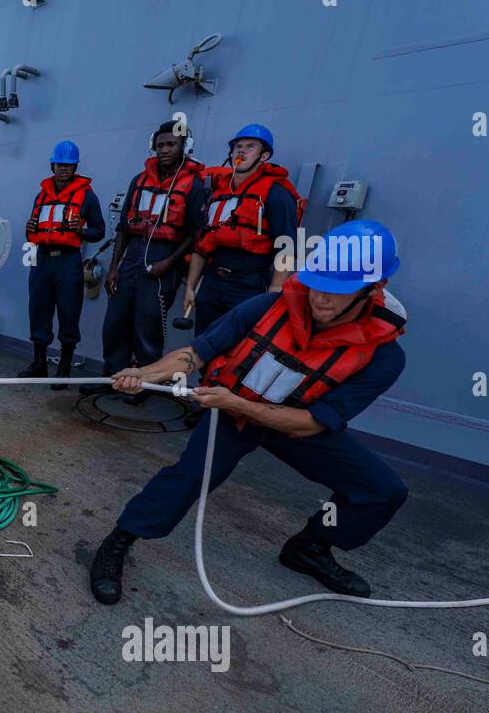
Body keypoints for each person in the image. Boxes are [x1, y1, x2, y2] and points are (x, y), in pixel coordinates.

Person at [88, 220, 409, 604]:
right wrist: (144, 373)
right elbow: (195, 354)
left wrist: (236, 402)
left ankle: (312, 546)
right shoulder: (266, 307)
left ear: (373, 290)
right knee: (189, 478)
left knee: (382, 490)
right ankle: (119, 540)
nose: (321, 297)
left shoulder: (383, 357)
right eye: (317, 283)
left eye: (338, 290)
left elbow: (311, 424)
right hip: (231, 414)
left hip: (293, 423)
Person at [98, 121, 207, 400]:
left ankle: (143, 384)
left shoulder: (193, 185)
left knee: (147, 328)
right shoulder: (139, 179)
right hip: (133, 255)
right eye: (160, 145)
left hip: (163, 259)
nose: (165, 150)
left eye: (171, 144)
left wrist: (169, 263)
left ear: (185, 146)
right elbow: (123, 226)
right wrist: (114, 268)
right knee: (115, 323)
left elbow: (195, 233)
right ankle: (113, 376)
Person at [183, 123, 303, 337]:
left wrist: (274, 292)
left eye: (250, 146)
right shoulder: (218, 194)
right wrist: (190, 287)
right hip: (211, 283)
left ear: (264, 156)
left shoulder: (275, 194)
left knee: (237, 347)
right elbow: (202, 245)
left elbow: (287, 247)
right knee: (203, 341)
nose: (241, 150)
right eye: (237, 146)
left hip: (248, 285)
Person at [20, 140, 105, 389]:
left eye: (68, 165)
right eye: (59, 164)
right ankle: (39, 364)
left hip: (68, 262)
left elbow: (99, 230)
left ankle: (64, 369)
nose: (63, 169)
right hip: (41, 259)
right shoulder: (42, 195)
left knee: (69, 313)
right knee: (38, 310)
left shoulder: (87, 196)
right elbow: (34, 230)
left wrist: (83, 230)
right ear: (52, 165)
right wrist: (29, 230)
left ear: (75, 166)